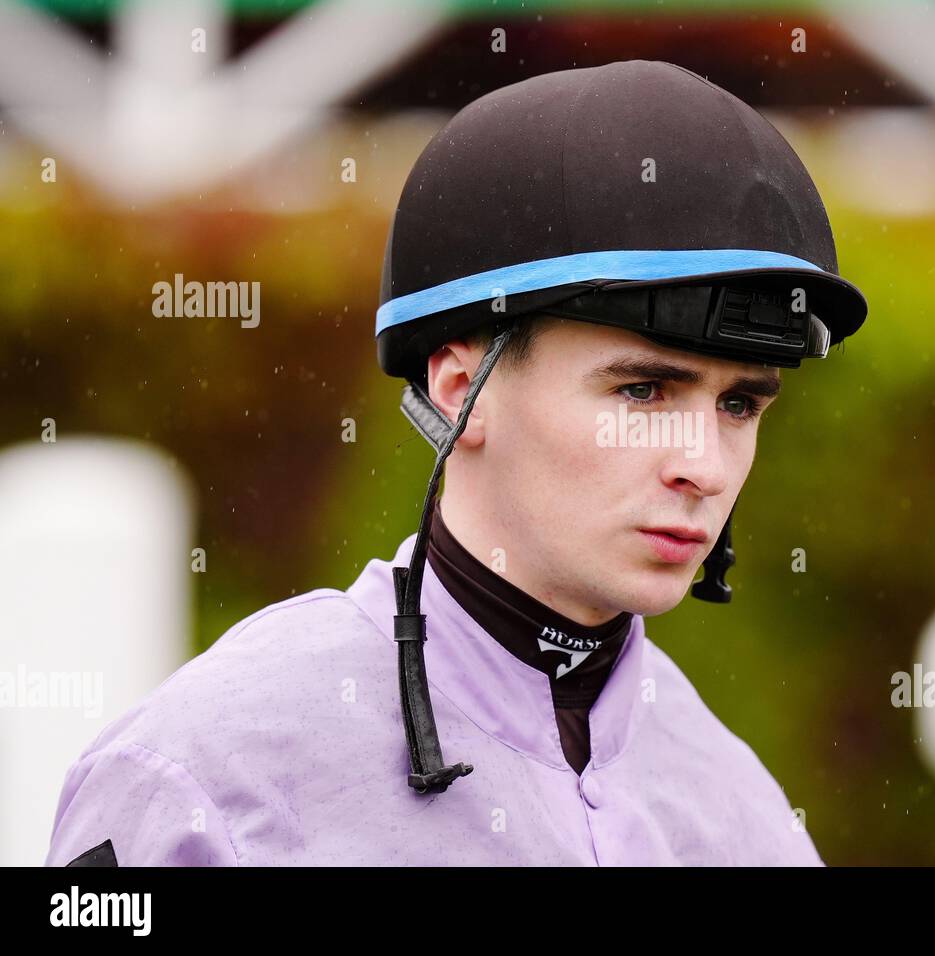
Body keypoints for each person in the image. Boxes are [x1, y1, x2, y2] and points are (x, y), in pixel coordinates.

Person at [44, 58, 867, 867]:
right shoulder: (202, 777)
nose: (706, 469)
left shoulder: (745, 811)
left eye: (739, 405)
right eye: (643, 391)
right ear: (459, 387)